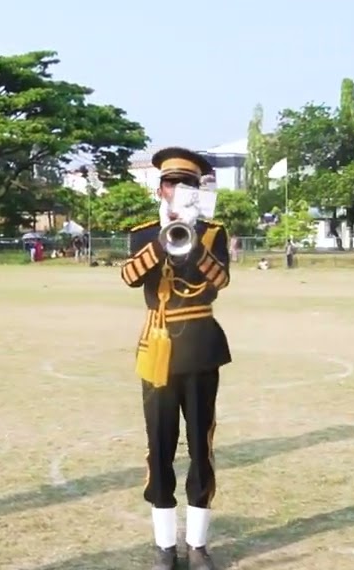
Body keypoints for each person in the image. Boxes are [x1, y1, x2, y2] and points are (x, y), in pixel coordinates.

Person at [121, 147, 231, 570]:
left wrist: (194, 239)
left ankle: (198, 545)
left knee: (201, 446)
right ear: (160, 189)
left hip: (201, 347)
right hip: (159, 349)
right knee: (159, 447)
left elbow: (221, 281)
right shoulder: (145, 231)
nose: (177, 189)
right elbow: (129, 277)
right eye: (171, 183)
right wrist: (164, 243)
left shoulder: (213, 232)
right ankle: (165, 546)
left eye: (186, 184)